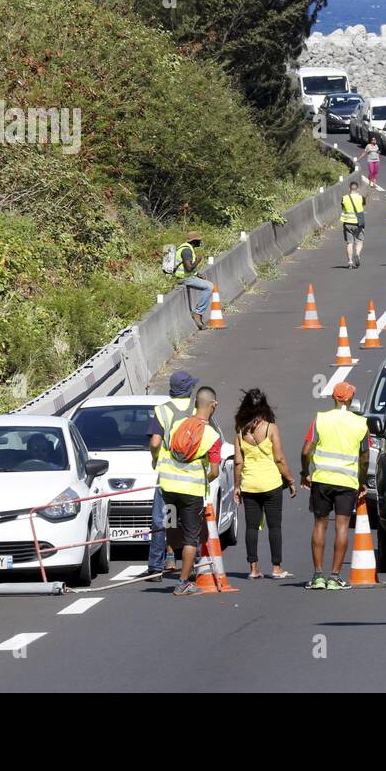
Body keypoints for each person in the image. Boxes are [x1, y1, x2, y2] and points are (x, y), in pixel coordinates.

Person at [300, 381, 369, 591]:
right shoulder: (361, 424)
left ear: (334, 398)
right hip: (347, 481)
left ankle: (318, 575)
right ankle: (335, 576)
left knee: (320, 525)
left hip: (322, 479)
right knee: (341, 527)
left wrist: (305, 472)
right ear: (349, 399)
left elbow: (305, 451)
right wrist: (361, 480)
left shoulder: (320, 419)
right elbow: (364, 457)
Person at [157, 386, 223, 596]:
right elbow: (213, 471)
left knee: (172, 526)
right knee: (191, 538)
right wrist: (203, 479)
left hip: (167, 487)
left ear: (195, 403)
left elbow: (162, 446)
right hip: (191, 491)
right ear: (213, 406)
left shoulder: (178, 424)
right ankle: (183, 582)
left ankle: (169, 557)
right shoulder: (212, 435)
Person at [233, 388, 296, 580]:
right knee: (274, 527)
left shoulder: (240, 431)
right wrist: (291, 480)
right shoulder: (271, 428)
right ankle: (276, 568)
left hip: (250, 485)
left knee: (251, 527)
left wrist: (237, 486)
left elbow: (238, 462)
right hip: (271, 484)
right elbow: (279, 459)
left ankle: (253, 568)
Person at [146, 370, 199, 575]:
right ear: (189, 389)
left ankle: (157, 565)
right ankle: (193, 565)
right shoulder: (197, 410)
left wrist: (155, 458)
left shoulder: (162, 411)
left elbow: (155, 442)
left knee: (164, 519)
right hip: (192, 478)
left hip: (167, 478)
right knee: (191, 522)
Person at [174, 231, 212, 331]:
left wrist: (197, 274)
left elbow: (189, 269)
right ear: (194, 241)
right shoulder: (186, 251)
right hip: (184, 279)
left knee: (208, 285)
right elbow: (189, 268)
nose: (200, 241)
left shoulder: (186, 248)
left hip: (187, 277)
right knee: (209, 287)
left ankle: (198, 313)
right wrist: (198, 261)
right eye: (199, 240)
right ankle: (198, 313)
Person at [341, 181, 366, 269]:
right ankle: (357, 254)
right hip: (358, 223)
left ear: (349, 189)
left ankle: (350, 261)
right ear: (357, 189)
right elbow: (363, 207)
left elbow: (343, 208)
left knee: (349, 243)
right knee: (359, 241)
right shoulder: (361, 198)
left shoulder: (344, 198)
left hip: (347, 223)